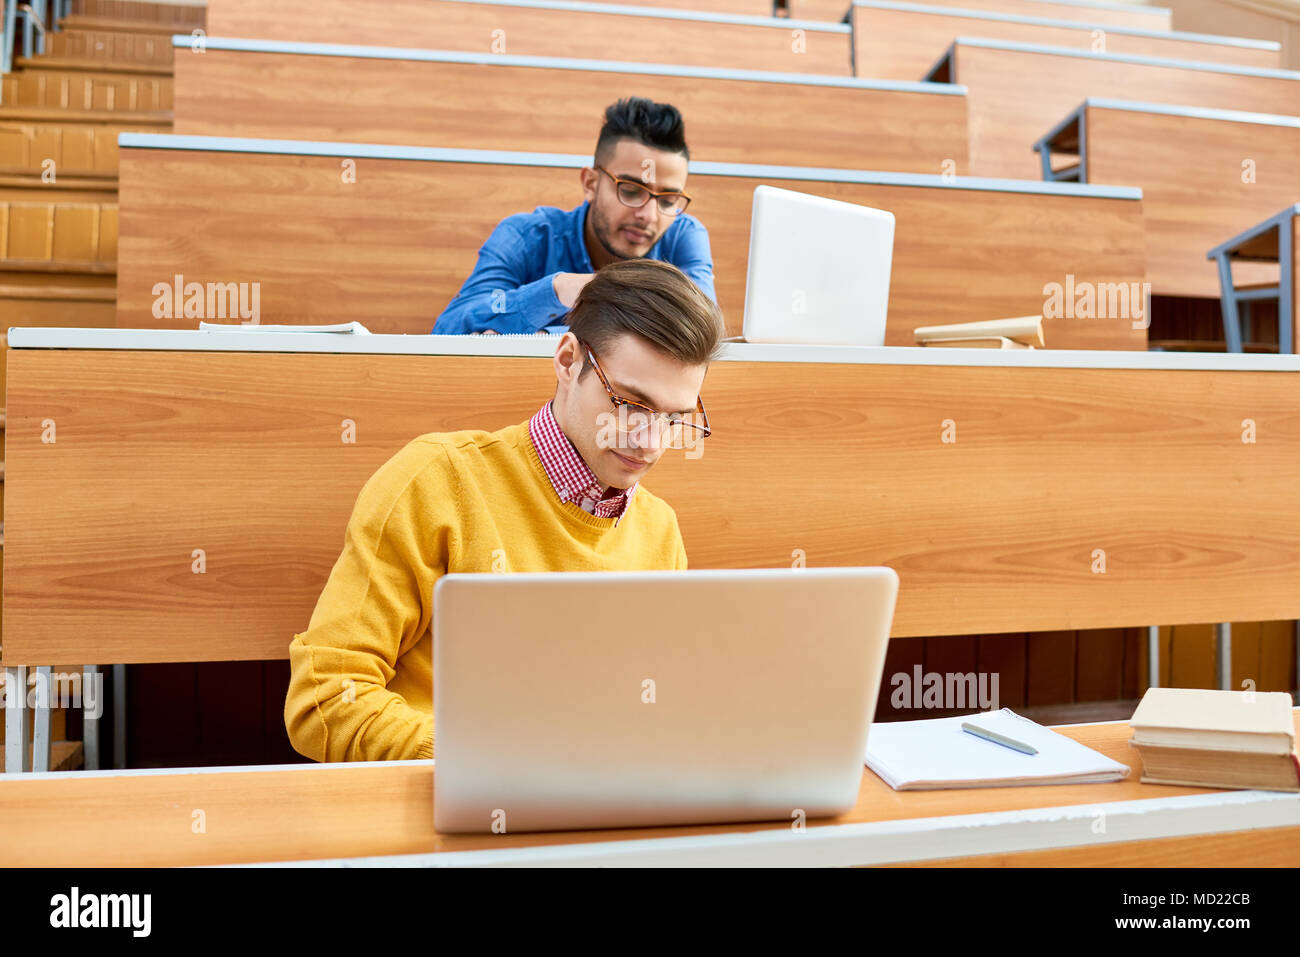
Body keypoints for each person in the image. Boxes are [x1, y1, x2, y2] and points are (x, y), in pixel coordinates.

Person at [286, 259, 724, 761]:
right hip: (445, 803)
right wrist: (489, 760)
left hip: (597, 805)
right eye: (630, 404)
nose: (651, 442)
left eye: (674, 418)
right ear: (566, 360)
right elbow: (323, 700)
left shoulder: (659, 530)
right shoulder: (436, 479)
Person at [431, 97, 716, 335]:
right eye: (630, 191)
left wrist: (543, 335)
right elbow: (449, 329)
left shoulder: (683, 236)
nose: (648, 215)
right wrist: (556, 289)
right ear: (591, 184)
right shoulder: (526, 235)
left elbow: (701, 333)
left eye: (667, 200)